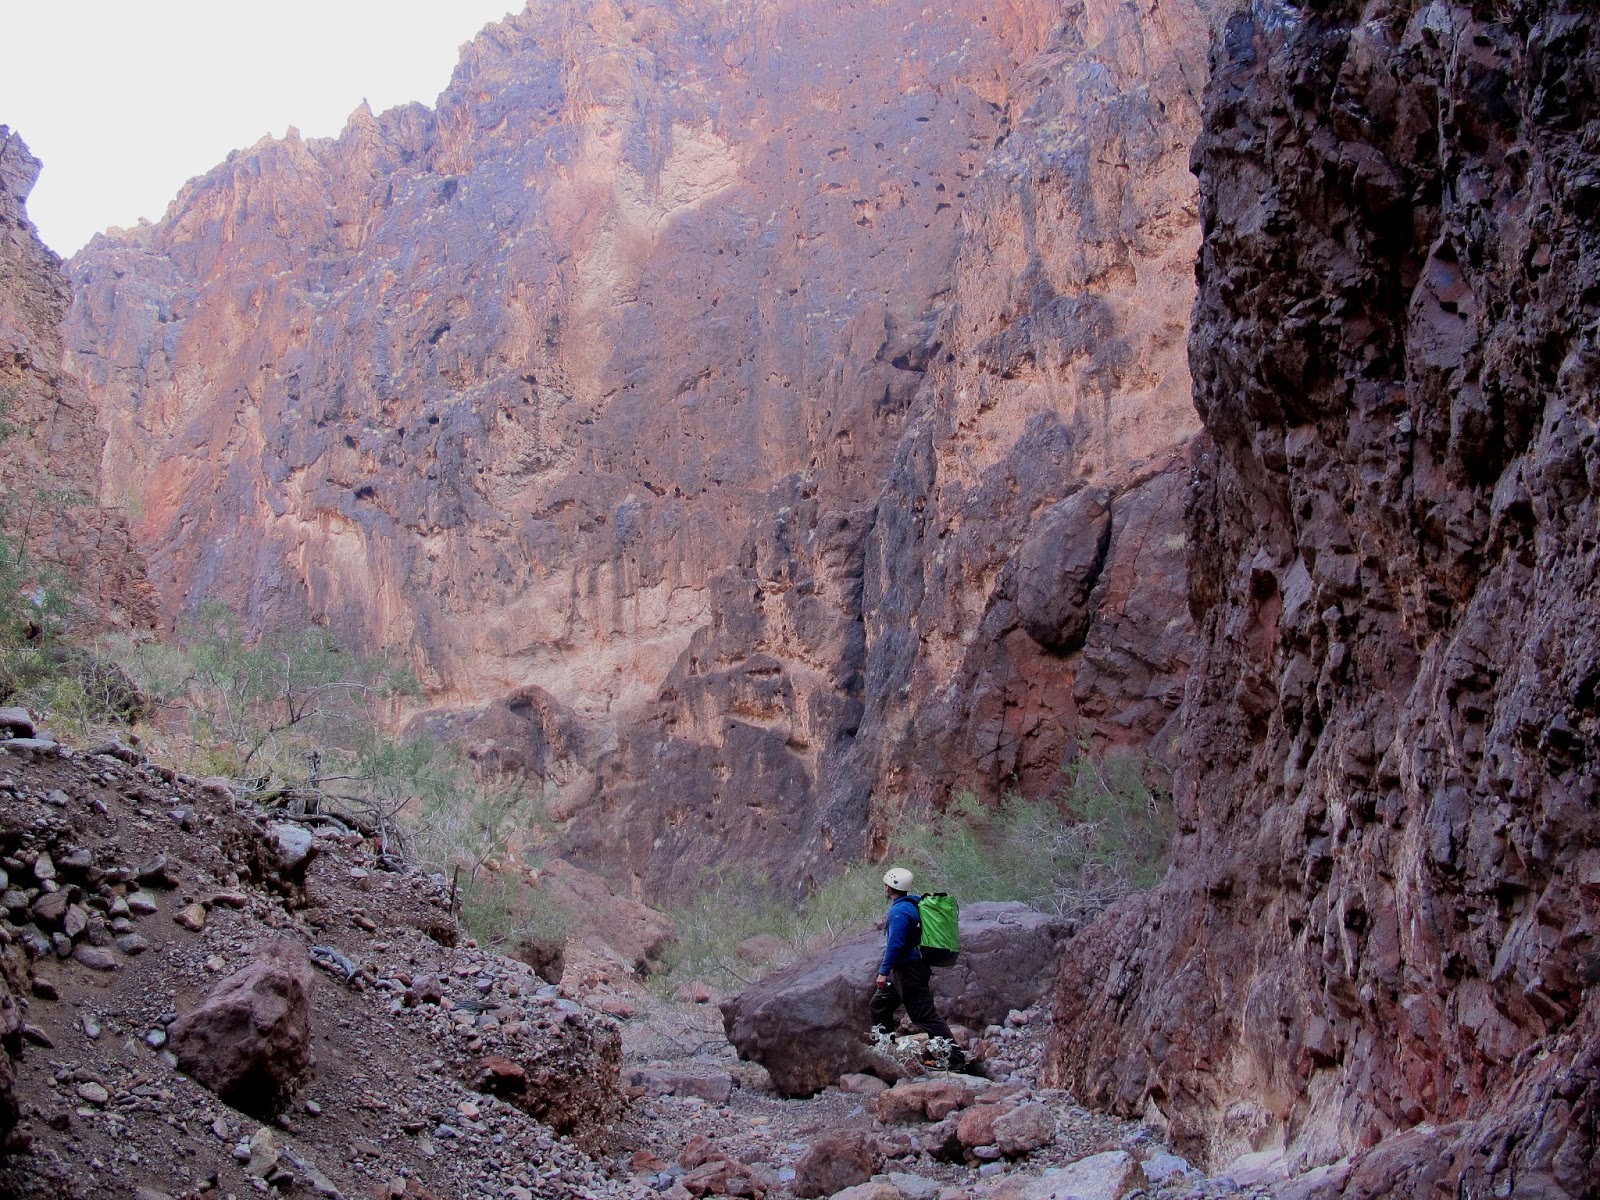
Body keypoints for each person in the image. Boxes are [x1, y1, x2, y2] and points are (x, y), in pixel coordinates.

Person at [869, 866, 975, 1072]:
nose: (885, 888)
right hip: (907, 969)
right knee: (880, 1004)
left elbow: (895, 944)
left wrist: (883, 972)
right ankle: (886, 1049)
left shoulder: (899, 911)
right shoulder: (914, 903)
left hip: (909, 971)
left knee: (924, 1015)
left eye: (886, 885)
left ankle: (954, 1059)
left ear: (889, 887)